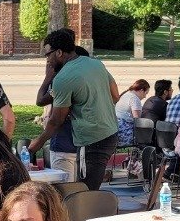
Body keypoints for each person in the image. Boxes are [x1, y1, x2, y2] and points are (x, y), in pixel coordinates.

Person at [28, 27, 119, 192]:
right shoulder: (96, 64)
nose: (47, 60)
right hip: (110, 134)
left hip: (91, 140)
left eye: (47, 54)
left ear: (59, 52)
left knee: (86, 192)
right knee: (89, 188)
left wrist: (38, 143)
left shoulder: (63, 78)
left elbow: (56, 121)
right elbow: (115, 95)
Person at [115, 77, 149, 146]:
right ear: (141, 90)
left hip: (117, 127)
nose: (145, 96)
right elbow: (137, 120)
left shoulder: (126, 94)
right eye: (145, 93)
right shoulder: (135, 99)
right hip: (125, 130)